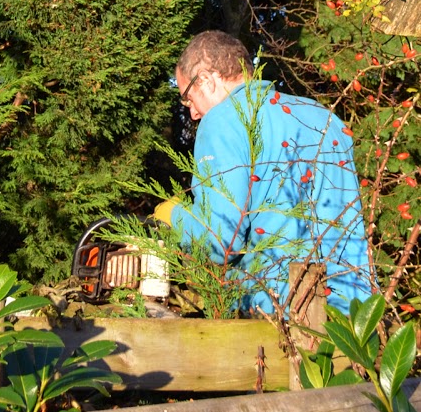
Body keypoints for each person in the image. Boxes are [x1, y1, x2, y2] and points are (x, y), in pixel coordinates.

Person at [153, 30, 372, 314]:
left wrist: (174, 216)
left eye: (188, 97)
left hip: (282, 317)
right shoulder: (325, 118)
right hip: (357, 316)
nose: (192, 113)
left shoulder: (223, 120)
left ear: (207, 80)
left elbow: (221, 241)